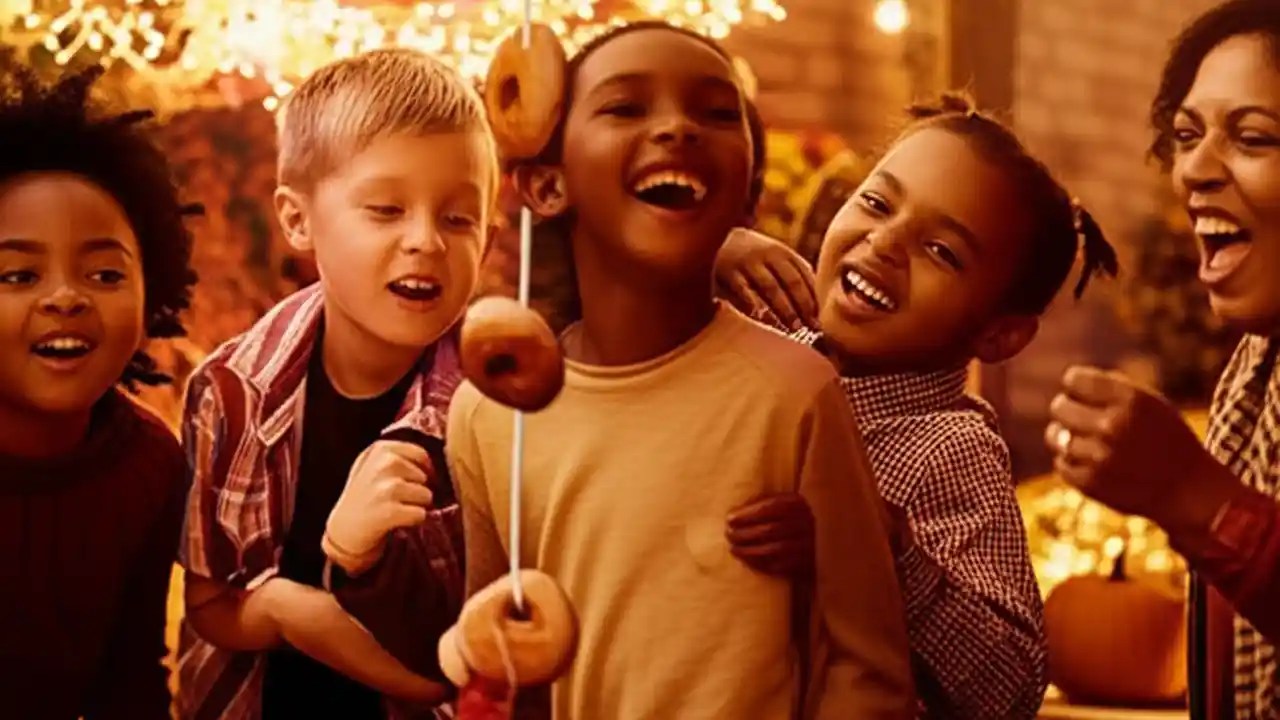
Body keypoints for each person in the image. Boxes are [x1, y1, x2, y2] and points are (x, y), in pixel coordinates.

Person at [449, 20, 915, 719]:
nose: (677, 128)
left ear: (745, 187)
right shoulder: (489, 413)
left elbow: (865, 664)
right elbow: (494, 660)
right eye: (626, 107)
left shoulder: (794, 393)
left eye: (718, 113)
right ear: (548, 187)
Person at [715, 91, 1124, 718]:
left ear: (998, 335)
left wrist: (871, 549)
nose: (885, 242)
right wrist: (705, 257)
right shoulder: (756, 348)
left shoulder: (948, 450)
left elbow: (1009, 689)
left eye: (942, 252)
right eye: (877, 204)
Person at [176, 48, 497, 719]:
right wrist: (292, 612)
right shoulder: (230, 391)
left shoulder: (500, 405)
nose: (426, 241)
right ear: (298, 219)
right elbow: (209, 605)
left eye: (458, 218)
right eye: (385, 209)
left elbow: (476, 646)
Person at [1042, 2, 1280, 718]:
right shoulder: (1255, 369)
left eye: (1253, 137)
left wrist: (1191, 497)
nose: (1194, 171)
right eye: (1185, 135)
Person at [0, 59, 198, 718]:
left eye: (104, 275)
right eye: (17, 276)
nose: (64, 298)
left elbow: (131, 676)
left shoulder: (151, 467)